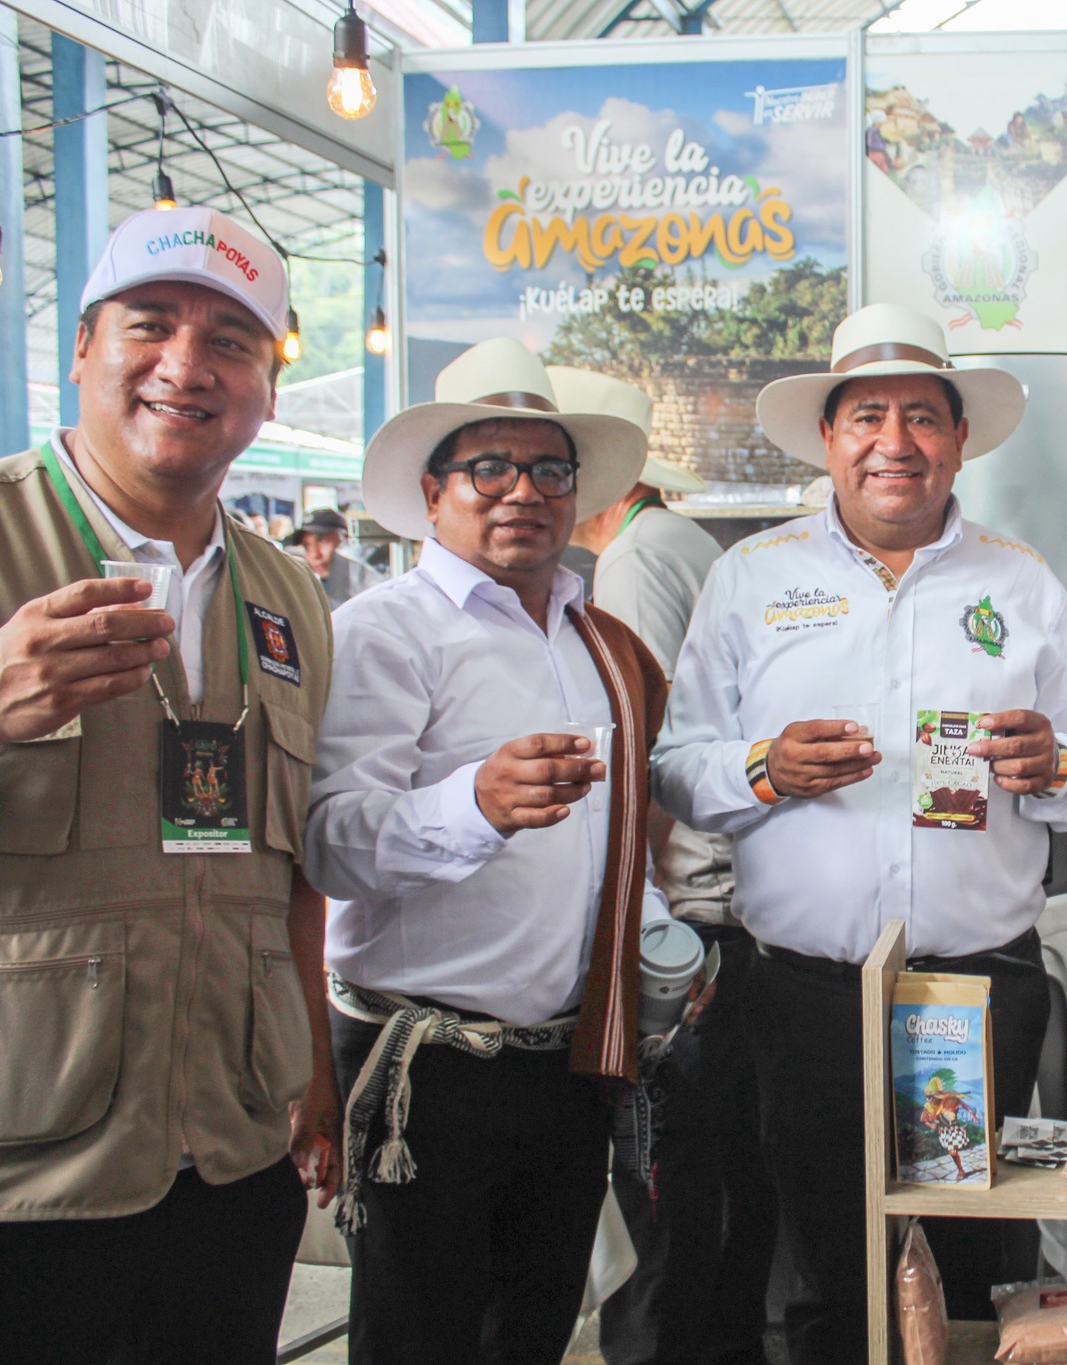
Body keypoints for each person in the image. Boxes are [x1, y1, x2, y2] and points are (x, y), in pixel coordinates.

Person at [652, 303, 1067, 1365]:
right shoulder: (752, 577)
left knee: (968, 1264)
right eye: (867, 416)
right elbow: (678, 766)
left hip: (977, 988)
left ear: (957, 439)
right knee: (830, 1270)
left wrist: (1054, 764)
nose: (893, 443)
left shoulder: (1020, 580)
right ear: (828, 438)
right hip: (804, 998)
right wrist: (763, 769)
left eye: (919, 417)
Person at [0, 206, 337, 1363]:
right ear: (81, 349)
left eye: (232, 341)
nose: (187, 364)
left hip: (230, 1158)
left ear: (265, 384)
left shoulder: (288, 596)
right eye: (150, 325)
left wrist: (311, 1071)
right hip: (1, 1171)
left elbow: (289, 870)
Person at [303, 339, 669, 1365]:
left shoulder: (590, 639)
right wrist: (474, 803)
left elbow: (611, 839)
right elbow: (331, 843)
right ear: (434, 494)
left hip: (564, 1058)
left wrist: (663, 945)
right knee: (419, 1339)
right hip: (428, 1066)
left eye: (549, 471)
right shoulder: (386, 632)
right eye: (488, 469)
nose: (522, 492)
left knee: (535, 1329)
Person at [545, 367, 775, 1365]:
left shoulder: (632, 564)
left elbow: (635, 759)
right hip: (736, 903)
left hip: (692, 911)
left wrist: (644, 925)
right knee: (725, 1186)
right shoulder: (685, 541)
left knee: (666, 1192)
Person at [288, 505, 384, 607]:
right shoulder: (307, 585)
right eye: (307, 546)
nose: (315, 555)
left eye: (321, 541)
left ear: (346, 538)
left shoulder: (369, 579)